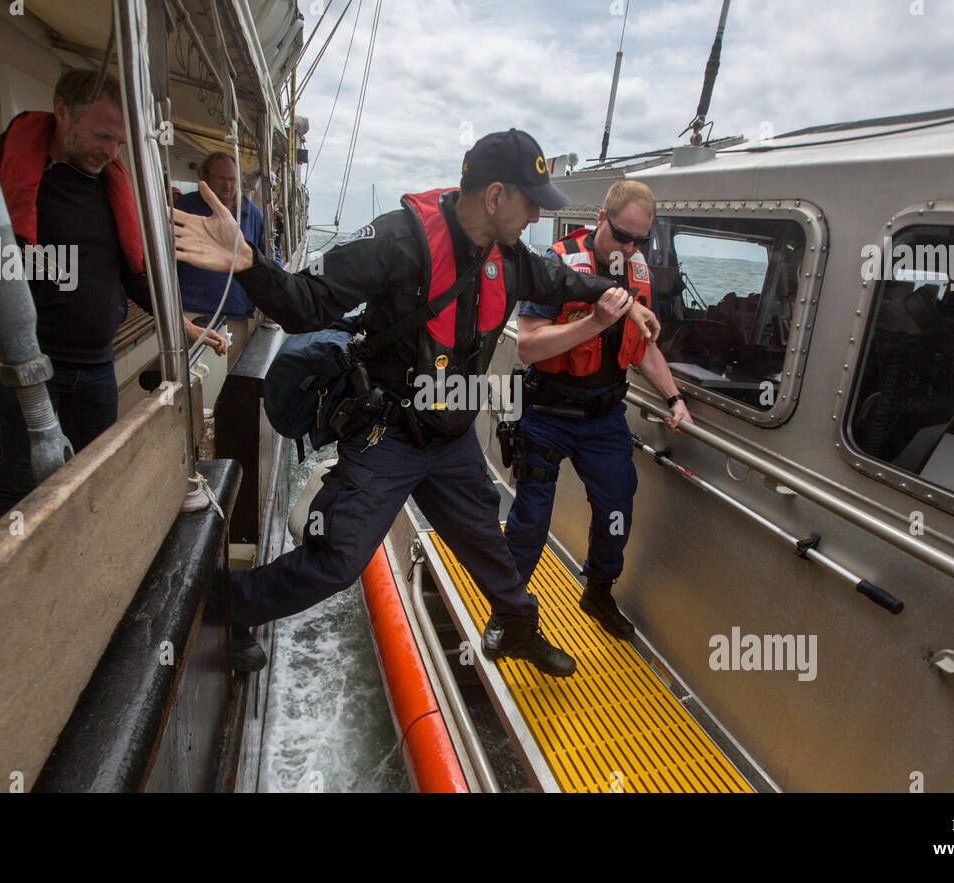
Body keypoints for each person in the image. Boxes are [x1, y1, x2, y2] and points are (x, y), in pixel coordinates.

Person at [173, 129, 659, 677]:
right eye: (531, 204)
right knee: (335, 562)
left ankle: (516, 628)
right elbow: (306, 304)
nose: (536, 219)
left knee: (486, 542)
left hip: (452, 442)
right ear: (496, 197)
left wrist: (621, 303)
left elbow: (561, 277)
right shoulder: (398, 239)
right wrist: (249, 264)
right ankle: (224, 609)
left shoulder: (510, 255)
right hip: (390, 437)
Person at [0, 69, 225, 526]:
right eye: (102, 135)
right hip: (26, 366)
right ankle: (1, 587)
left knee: (93, 469)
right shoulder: (1, 178)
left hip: (96, 365)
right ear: (62, 111)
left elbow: (134, 275)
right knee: (23, 480)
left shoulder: (110, 188)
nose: (111, 151)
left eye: (119, 141)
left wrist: (182, 323)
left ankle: (78, 556)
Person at [502, 180, 692, 641]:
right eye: (622, 236)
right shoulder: (557, 262)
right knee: (530, 518)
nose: (628, 247)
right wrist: (596, 321)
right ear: (602, 219)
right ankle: (508, 616)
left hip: (604, 417)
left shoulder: (639, 273)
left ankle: (599, 591)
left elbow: (643, 347)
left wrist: (674, 398)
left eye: (639, 240)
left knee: (616, 509)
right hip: (548, 411)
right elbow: (528, 346)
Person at [175, 152, 272, 323]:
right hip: (191, 310)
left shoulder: (251, 213)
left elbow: (268, 254)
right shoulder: (184, 208)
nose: (228, 185)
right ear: (205, 177)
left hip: (237, 311)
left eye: (232, 179)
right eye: (221, 178)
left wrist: (274, 291)